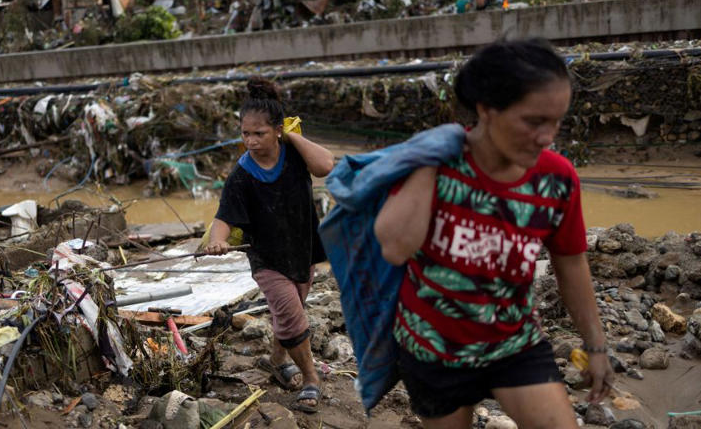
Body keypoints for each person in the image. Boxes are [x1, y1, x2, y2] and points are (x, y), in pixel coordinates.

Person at [373, 39, 614, 428]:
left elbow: (571, 263)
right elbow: (395, 247)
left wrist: (596, 345)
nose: (547, 136)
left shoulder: (557, 179)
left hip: (513, 342)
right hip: (433, 348)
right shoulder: (437, 166)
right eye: (534, 121)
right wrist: (430, 160)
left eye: (557, 121)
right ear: (486, 108)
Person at [205, 77, 334, 413]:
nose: (250, 141)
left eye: (259, 133)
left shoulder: (294, 153)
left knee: (292, 310)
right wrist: (218, 241)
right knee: (291, 316)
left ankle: (277, 361)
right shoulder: (242, 174)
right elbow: (224, 218)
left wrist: (292, 136)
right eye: (245, 133)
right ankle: (311, 380)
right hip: (266, 258)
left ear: (278, 130)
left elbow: (325, 166)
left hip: (303, 249)